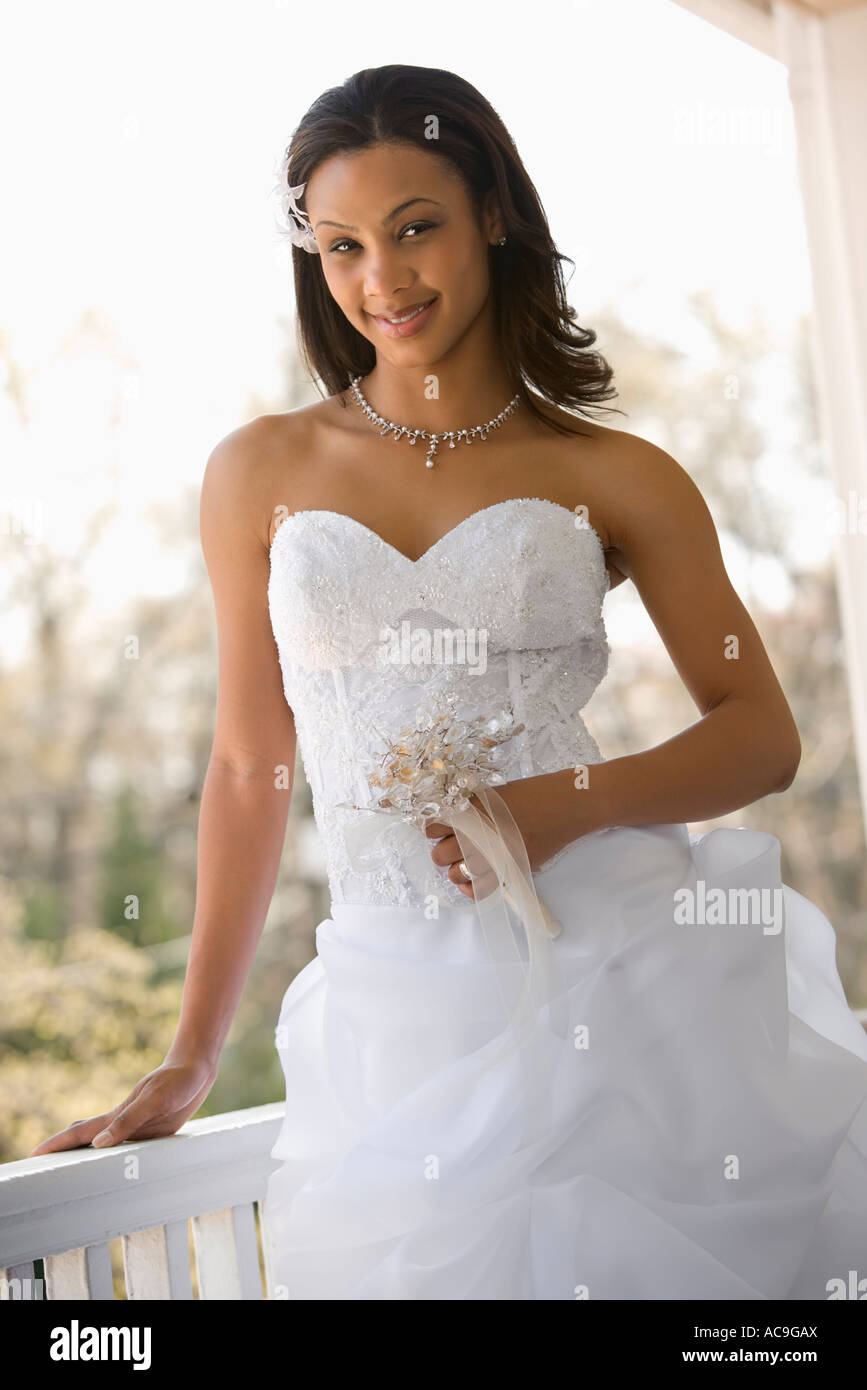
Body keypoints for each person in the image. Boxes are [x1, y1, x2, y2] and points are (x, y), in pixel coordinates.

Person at [31, 64, 867, 1301]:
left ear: (493, 213)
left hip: (615, 966)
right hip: (389, 1000)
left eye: (415, 227)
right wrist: (191, 1053)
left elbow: (762, 737)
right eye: (343, 247)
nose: (383, 279)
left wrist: (563, 803)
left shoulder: (623, 473)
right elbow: (250, 765)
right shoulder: (258, 470)